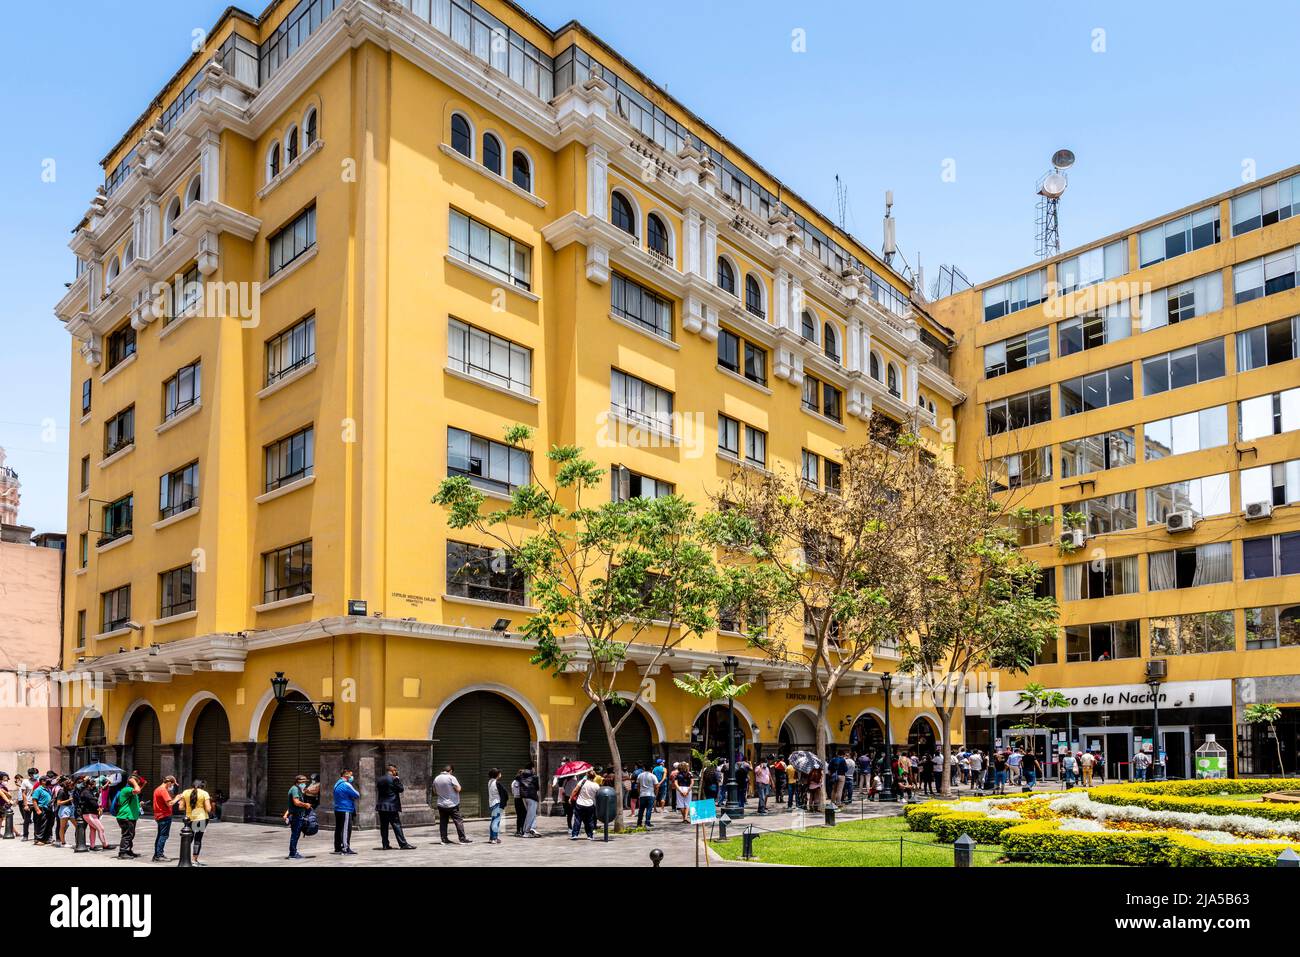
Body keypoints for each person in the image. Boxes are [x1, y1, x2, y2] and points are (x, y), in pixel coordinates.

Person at [375, 764, 415, 850]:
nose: (396, 772)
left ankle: (385, 845)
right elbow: (401, 789)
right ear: (393, 771)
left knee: (384, 826)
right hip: (391, 806)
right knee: (396, 825)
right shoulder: (394, 779)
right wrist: (397, 779)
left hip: (381, 806)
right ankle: (403, 844)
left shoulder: (380, 779)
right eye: (396, 771)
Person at [432, 764, 472, 844]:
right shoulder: (451, 778)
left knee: (443, 822)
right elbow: (458, 789)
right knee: (458, 821)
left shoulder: (436, 778)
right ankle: (462, 839)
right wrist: (452, 788)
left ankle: (444, 839)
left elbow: (434, 791)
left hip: (441, 804)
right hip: (452, 804)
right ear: (450, 771)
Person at [177, 779, 213, 864]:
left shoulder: (185, 792)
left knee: (188, 838)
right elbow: (208, 809)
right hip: (201, 818)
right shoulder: (204, 793)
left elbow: (180, 807)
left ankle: (185, 858)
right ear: (202, 786)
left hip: (189, 818)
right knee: (198, 839)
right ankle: (194, 859)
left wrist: (189, 808)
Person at [283, 774, 314, 860]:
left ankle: (294, 852)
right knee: (295, 835)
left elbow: (291, 806)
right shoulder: (295, 789)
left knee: (296, 835)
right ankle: (292, 853)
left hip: (297, 815)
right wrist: (306, 805)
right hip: (296, 816)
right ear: (298, 782)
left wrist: (285, 815)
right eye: (303, 782)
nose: (304, 784)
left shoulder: (297, 790)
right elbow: (296, 802)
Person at [113, 774, 142, 859]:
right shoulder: (127, 789)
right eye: (137, 782)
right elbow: (138, 790)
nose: (138, 784)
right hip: (126, 816)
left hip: (131, 816)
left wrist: (139, 804)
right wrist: (133, 781)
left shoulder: (130, 790)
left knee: (131, 835)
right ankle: (123, 852)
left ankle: (128, 851)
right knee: (127, 835)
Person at [332, 769, 360, 855]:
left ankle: (337, 848)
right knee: (346, 829)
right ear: (346, 775)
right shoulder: (347, 784)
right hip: (345, 809)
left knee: (339, 828)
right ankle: (345, 848)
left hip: (338, 809)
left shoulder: (337, 783)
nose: (351, 777)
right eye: (350, 775)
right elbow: (357, 794)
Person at [151, 775, 178, 861]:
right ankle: (159, 855)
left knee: (160, 836)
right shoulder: (163, 790)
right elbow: (169, 803)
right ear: (169, 782)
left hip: (159, 815)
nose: (172, 786)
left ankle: (157, 854)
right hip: (164, 815)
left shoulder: (158, 789)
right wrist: (177, 798)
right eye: (172, 784)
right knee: (163, 836)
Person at [570, 770, 600, 840]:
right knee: (589, 820)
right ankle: (590, 835)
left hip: (579, 803)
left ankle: (575, 835)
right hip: (590, 804)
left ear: (587, 775)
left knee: (577, 819)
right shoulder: (596, 785)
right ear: (594, 777)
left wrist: (570, 798)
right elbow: (598, 796)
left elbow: (575, 790)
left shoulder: (582, 781)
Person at [515, 764, 541, 837]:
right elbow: (537, 788)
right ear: (532, 768)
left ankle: (527, 830)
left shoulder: (521, 776)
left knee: (528, 814)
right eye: (534, 768)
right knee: (531, 815)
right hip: (532, 796)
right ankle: (527, 832)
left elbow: (516, 777)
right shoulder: (534, 777)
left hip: (523, 796)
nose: (535, 769)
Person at [635, 763, 658, 829]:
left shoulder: (640, 775)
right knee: (649, 809)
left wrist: (639, 793)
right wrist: (655, 794)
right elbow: (656, 786)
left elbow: (638, 786)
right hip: (650, 794)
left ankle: (639, 823)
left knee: (641, 809)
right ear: (651, 769)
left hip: (642, 795)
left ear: (644, 768)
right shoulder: (653, 776)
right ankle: (647, 822)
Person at [487, 768, 505, 844]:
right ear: (497, 774)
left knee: (494, 821)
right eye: (499, 773)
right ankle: (494, 838)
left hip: (492, 803)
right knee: (496, 821)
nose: (501, 774)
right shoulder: (497, 783)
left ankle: (492, 838)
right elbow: (503, 793)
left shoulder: (490, 782)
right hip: (497, 803)